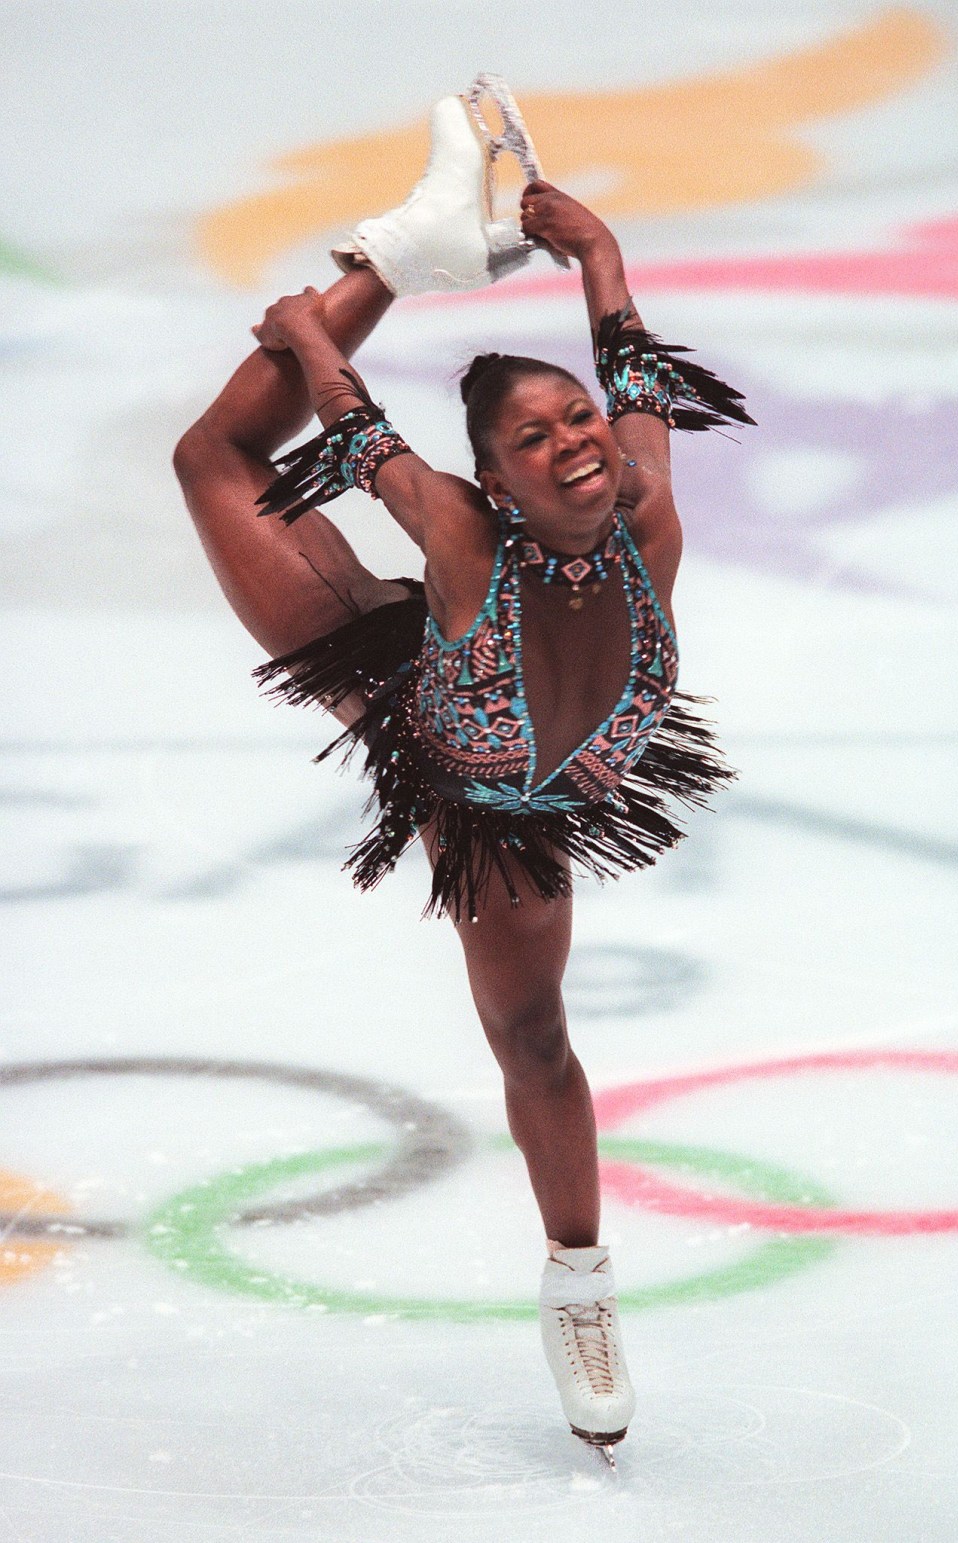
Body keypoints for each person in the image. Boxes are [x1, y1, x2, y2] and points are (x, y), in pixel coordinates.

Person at [173, 87, 752, 1462]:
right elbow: (349, 423)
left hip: (510, 810)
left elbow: (639, 381)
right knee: (213, 462)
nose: (577, 441)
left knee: (533, 1041)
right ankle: (405, 248)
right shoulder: (461, 536)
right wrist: (319, 325)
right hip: (410, 699)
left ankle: (579, 1286)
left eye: (575, 420)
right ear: (492, 484)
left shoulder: (645, 508)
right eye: (537, 438)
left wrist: (601, 258)